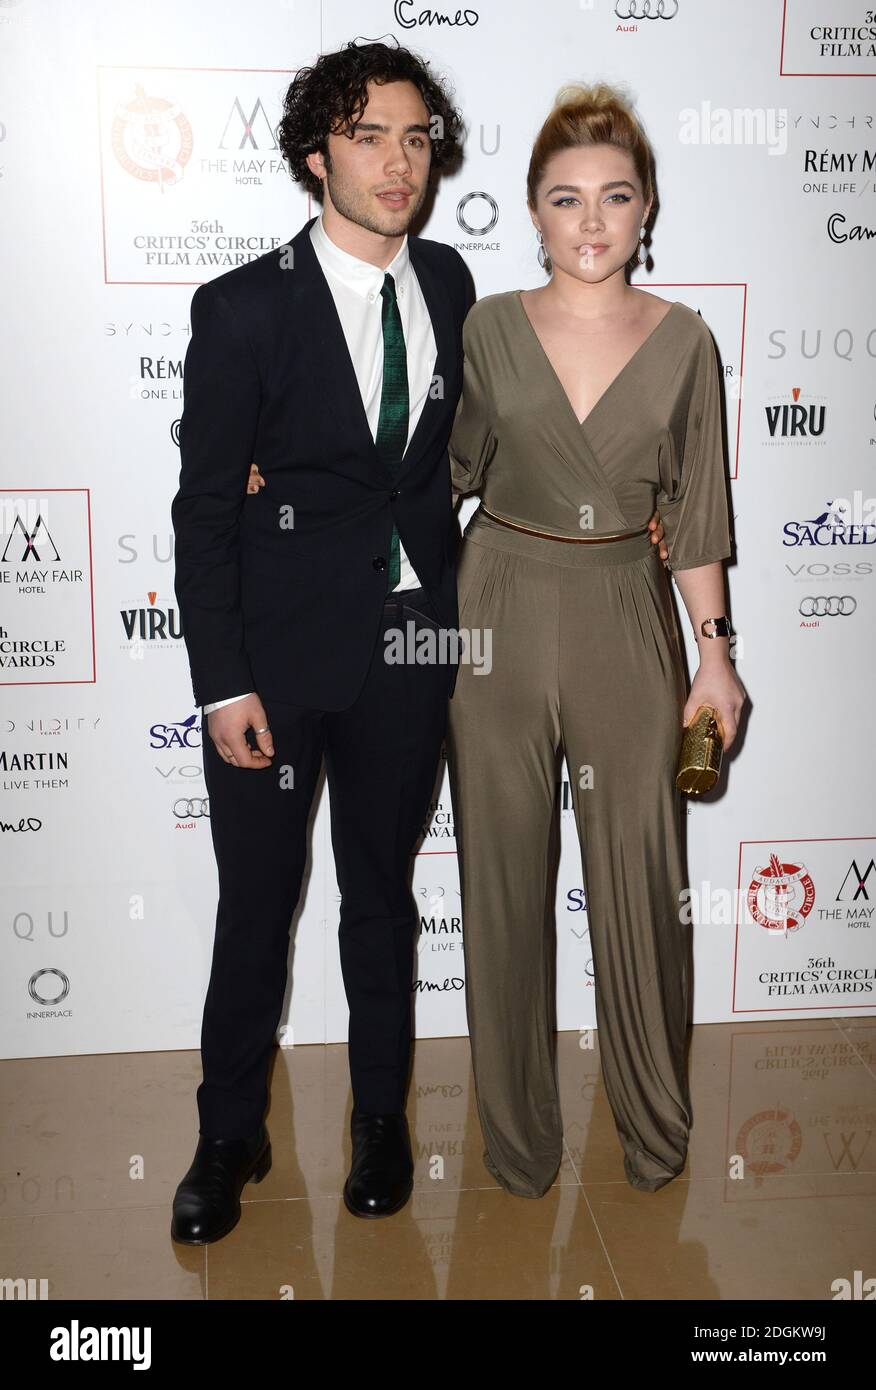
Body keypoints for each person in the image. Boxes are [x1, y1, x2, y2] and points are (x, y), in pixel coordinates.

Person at [168, 41, 473, 1240]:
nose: (397, 163)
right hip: (276, 663)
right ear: (316, 157)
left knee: (380, 899)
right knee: (256, 903)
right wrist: (221, 681)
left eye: (414, 137)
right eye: (366, 137)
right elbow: (202, 510)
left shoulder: (449, 286)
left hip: (407, 647)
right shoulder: (243, 308)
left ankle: (381, 1119)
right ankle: (227, 1131)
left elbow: (461, 457)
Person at [444, 81, 747, 1196]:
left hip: (628, 607)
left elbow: (700, 516)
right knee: (503, 888)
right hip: (498, 610)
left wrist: (712, 651)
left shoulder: (686, 343)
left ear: (647, 206)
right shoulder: (485, 328)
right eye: (566, 198)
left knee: (642, 887)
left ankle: (656, 1133)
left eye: (614, 196)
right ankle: (519, 1147)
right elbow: (443, 475)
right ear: (532, 210)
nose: (590, 222)